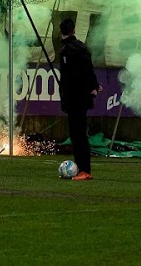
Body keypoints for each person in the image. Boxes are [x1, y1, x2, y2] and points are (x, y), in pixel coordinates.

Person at [57, 17, 100, 181]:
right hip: (81, 97)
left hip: (74, 98)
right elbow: (88, 69)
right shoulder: (81, 47)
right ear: (73, 30)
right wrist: (94, 86)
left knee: (78, 135)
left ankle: (85, 169)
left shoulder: (67, 51)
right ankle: (81, 167)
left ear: (60, 31)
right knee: (78, 134)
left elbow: (74, 76)